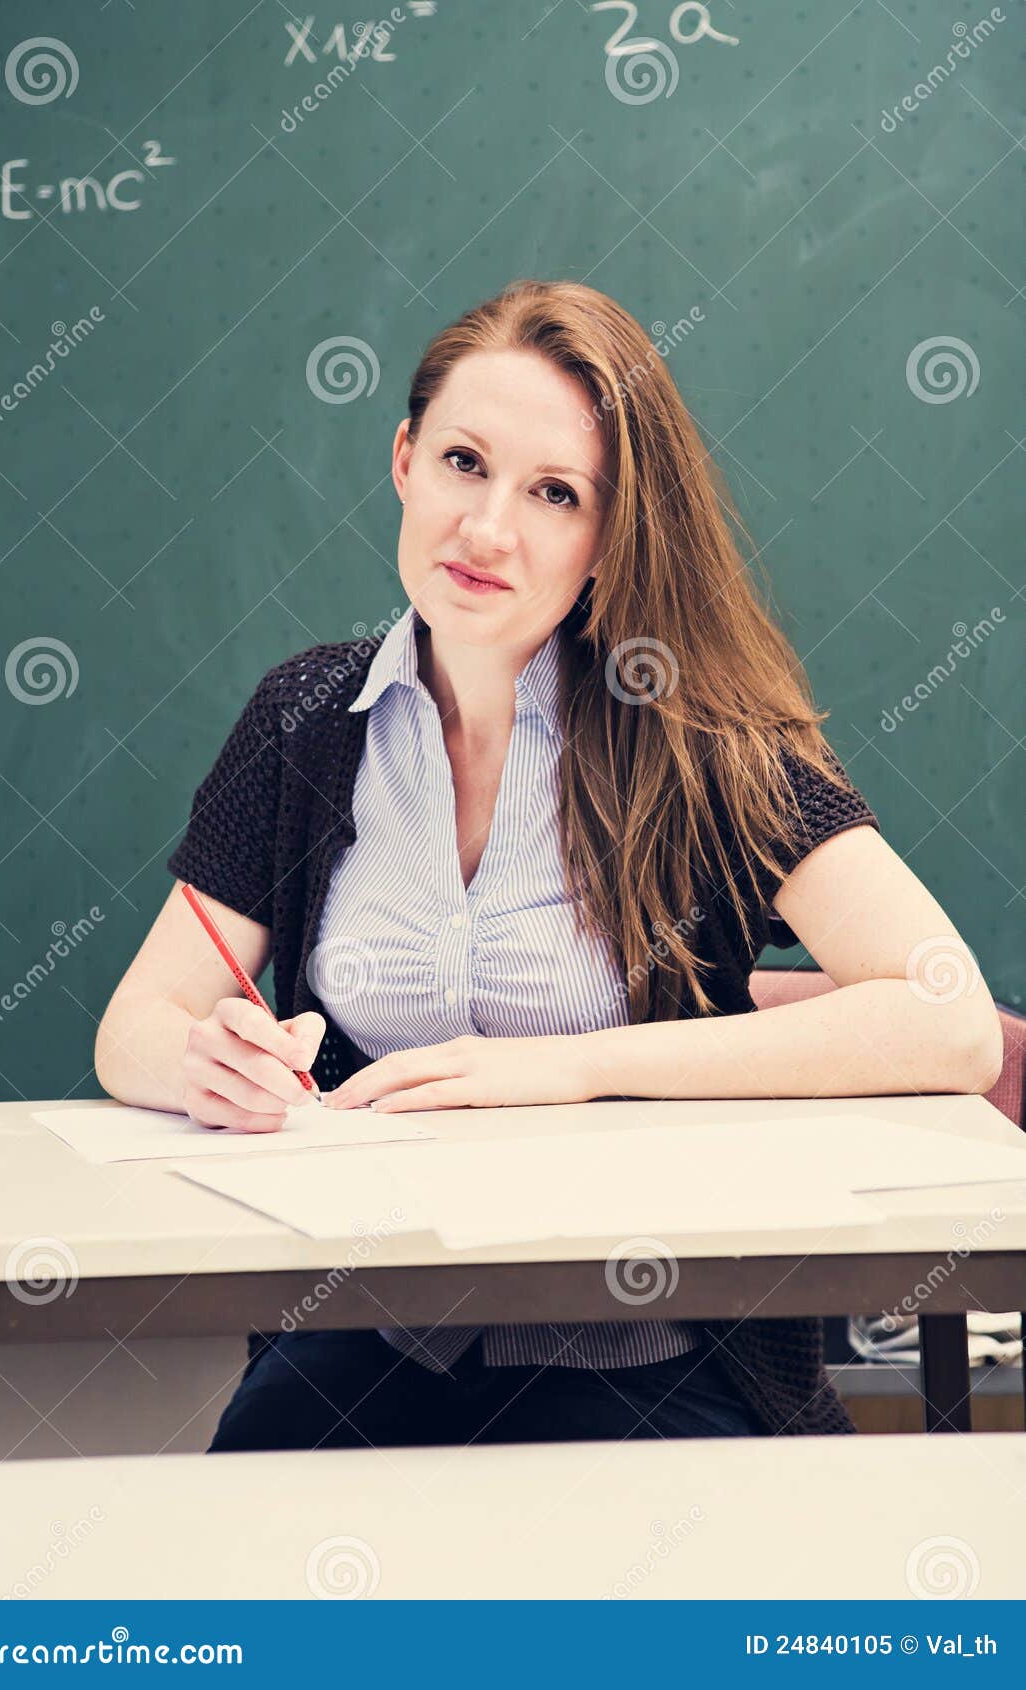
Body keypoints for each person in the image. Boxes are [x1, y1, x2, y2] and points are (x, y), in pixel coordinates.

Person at [94, 278, 1003, 1452]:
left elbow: (950, 1021)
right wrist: (205, 1062)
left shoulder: (693, 736)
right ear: (404, 459)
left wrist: (573, 1069)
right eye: (465, 463)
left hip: (649, 1355)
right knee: (239, 1603)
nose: (486, 531)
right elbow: (136, 1023)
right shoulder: (304, 720)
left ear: (608, 533)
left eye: (554, 493)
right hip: (365, 1339)